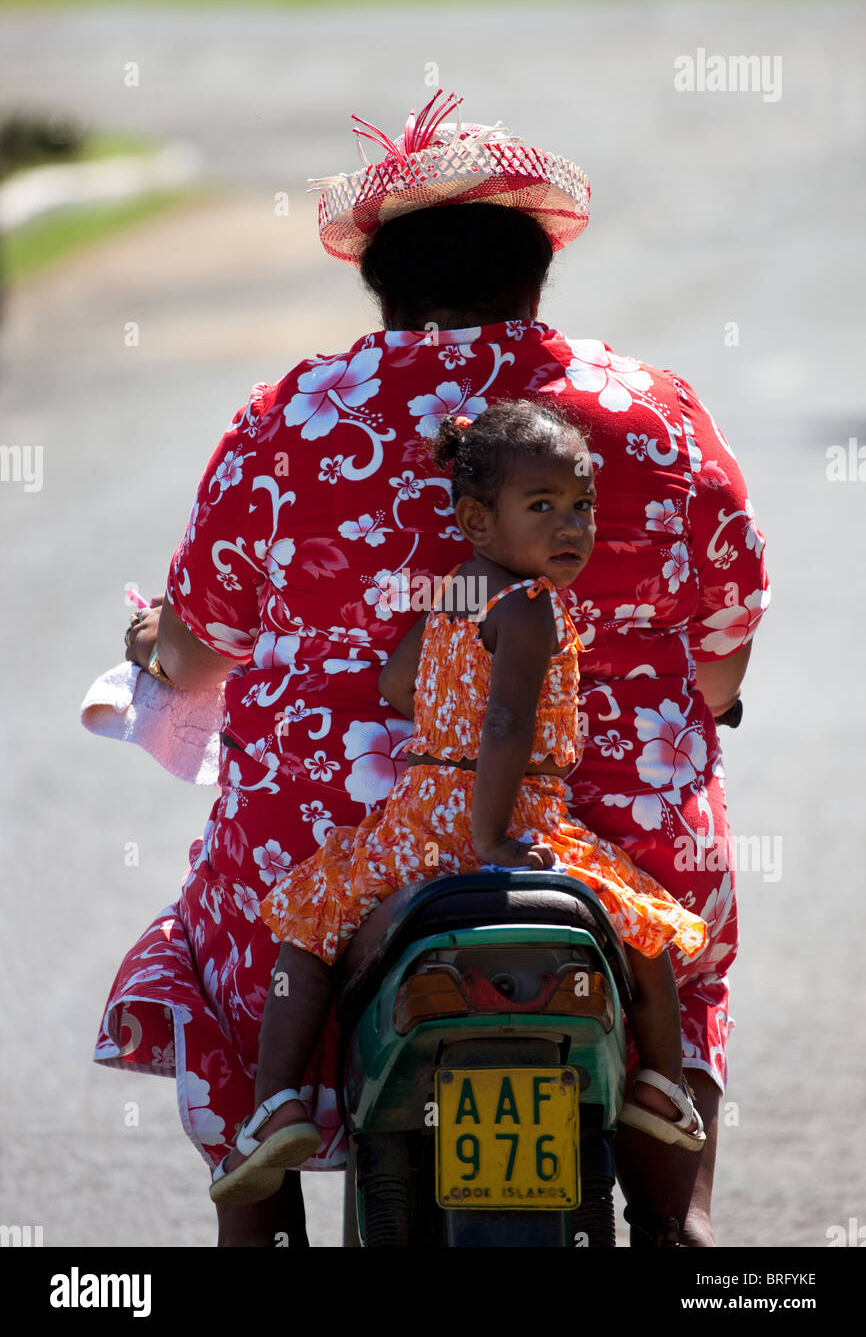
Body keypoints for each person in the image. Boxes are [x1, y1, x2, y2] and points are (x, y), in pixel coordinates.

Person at [100, 89, 770, 1247]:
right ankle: (680, 1223)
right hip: (612, 830)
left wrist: (150, 649)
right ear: (533, 275)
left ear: (383, 284)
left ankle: (258, 1205)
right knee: (684, 952)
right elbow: (720, 652)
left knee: (229, 957)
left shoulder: (290, 419)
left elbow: (198, 641)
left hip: (332, 834)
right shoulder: (650, 411)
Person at [209, 398, 711, 1206]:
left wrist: (445, 723)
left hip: (416, 815)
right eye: (541, 506)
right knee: (642, 930)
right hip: (510, 816)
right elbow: (509, 722)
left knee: (307, 928)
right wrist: (493, 836)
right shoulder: (532, 608)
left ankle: (276, 1104)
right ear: (479, 520)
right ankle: (657, 1079)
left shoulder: (455, 589)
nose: (571, 526)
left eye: (581, 505)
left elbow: (395, 683)